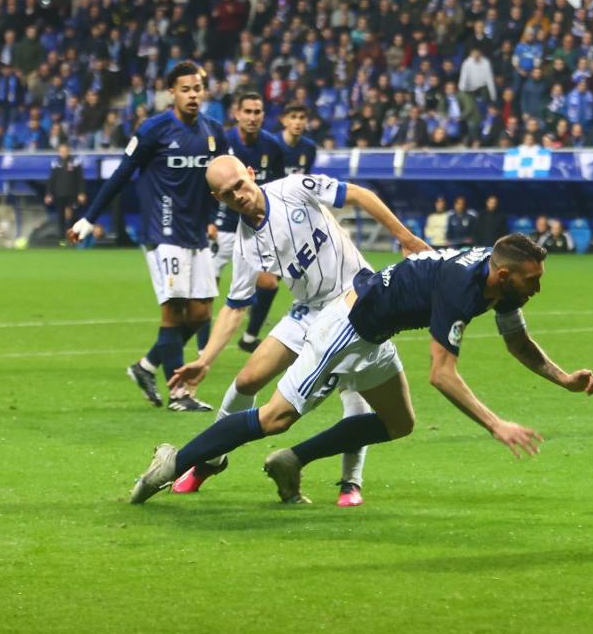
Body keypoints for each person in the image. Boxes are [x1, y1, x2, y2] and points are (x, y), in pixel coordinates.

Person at [130, 236, 593, 505]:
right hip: (345, 325)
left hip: (375, 331)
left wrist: (563, 378)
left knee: (399, 423)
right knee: (275, 416)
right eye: (532, 280)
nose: (537, 288)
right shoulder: (463, 287)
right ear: (504, 276)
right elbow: (442, 374)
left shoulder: (499, 278)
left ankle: (292, 460)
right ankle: (173, 461)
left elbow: (517, 341)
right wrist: (497, 425)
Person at [167, 155, 429, 504]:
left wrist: (405, 237)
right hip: (307, 312)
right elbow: (235, 307)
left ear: (250, 173)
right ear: (219, 200)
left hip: (356, 301)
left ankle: (351, 481)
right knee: (246, 381)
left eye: (240, 185)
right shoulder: (246, 245)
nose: (239, 196)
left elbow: (358, 195)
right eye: (228, 194)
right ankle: (211, 460)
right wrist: (206, 359)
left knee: (353, 387)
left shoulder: (294, 188)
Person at [68, 61, 230, 412]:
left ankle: (145, 367)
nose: (192, 95)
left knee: (201, 314)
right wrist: (88, 218)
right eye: (185, 89)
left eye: (197, 89)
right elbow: (122, 174)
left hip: (197, 234)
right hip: (163, 232)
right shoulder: (154, 130)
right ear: (170, 92)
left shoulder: (214, 132)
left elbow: (225, 180)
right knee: (173, 313)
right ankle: (179, 394)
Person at [212, 93, 287, 353]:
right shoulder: (223, 141)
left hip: (255, 226)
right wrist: (208, 220)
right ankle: (203, 346)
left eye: (257, 112)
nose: (252, 117)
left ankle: (249, 336)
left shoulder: (273, 147)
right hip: (223, 223)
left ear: (263, 116)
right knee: (207, 288)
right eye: (248, 112)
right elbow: (208, 181)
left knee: (268, 283)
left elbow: (276, 189)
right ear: (237, 113)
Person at [45, 144, 86, 240]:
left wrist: (81, 192)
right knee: (61, 218)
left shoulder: (75, 162)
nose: (63, 153)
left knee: (73, 217)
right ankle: (62, 241)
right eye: (61, 151)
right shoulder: (55, 163)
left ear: (69, 151)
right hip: (59, 194)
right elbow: (51, 180)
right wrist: (49, 193)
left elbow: (80, 179)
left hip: (72, 195)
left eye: (65, 151)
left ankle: (74, 240)